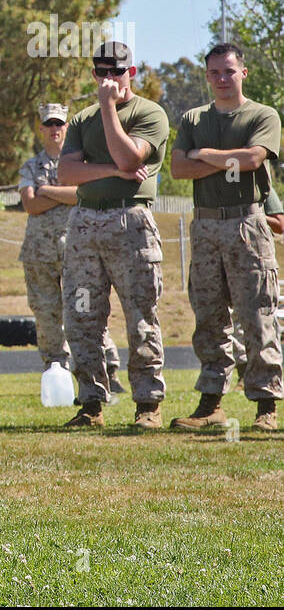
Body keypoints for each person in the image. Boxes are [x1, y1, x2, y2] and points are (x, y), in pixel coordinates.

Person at [170, 43, 282, 432]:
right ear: (207, 76)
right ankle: (211, 403)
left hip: (246, 224)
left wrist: (204, 154)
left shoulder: (261, 115)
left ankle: (266, 403)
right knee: (209, 317)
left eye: (229, 71)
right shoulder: (193, 118)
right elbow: (178, 170)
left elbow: (253, 159)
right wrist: (217, 158)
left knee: (256, 315)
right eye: (215, 72)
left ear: (243, 73)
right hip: (204, 226)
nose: (222, 79)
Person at [59, 42, 169, 428]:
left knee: (140, 316)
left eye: (117, 72)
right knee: (83, 316)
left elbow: (129, 158)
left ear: (132, 73)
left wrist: (109, 109)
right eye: (102, 72)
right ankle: (91, 403)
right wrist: (111, 172)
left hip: (130, 225)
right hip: (85, 224)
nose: (110, 80)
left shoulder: (149, 113)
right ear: (94, 74)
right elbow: (67, 175)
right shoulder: (80, 119)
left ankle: (148, 405)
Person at [18, 103, 123, 398]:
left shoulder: (82, 163)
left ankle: (108, 369)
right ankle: (57, 373)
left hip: (79, 251)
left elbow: (82, 194)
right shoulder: (30, 167)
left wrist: (46, 190)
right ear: (41, 128)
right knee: (46, 314)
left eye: (59, 124)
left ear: (67, 127)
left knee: (85, 310)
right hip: (39, 255)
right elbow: (30, 204)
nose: (54, 129)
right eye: (49, 124)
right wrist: (62, 193)